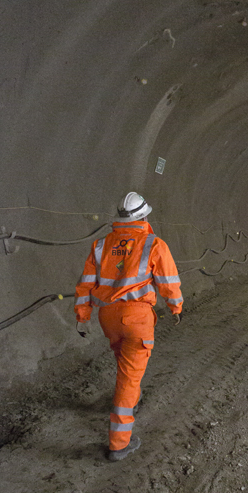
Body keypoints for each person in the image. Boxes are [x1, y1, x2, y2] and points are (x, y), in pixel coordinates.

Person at [74, 192, 183, 462]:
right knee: (128, 378)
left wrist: (82, 315)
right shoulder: (153, 243)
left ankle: (132, 399)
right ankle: (119, 443)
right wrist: (176, 307)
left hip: (108, 317)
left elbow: (86, 283)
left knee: (124, 364)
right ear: (144, 216)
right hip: (136, 318)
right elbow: (168, 282)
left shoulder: (101, 245)